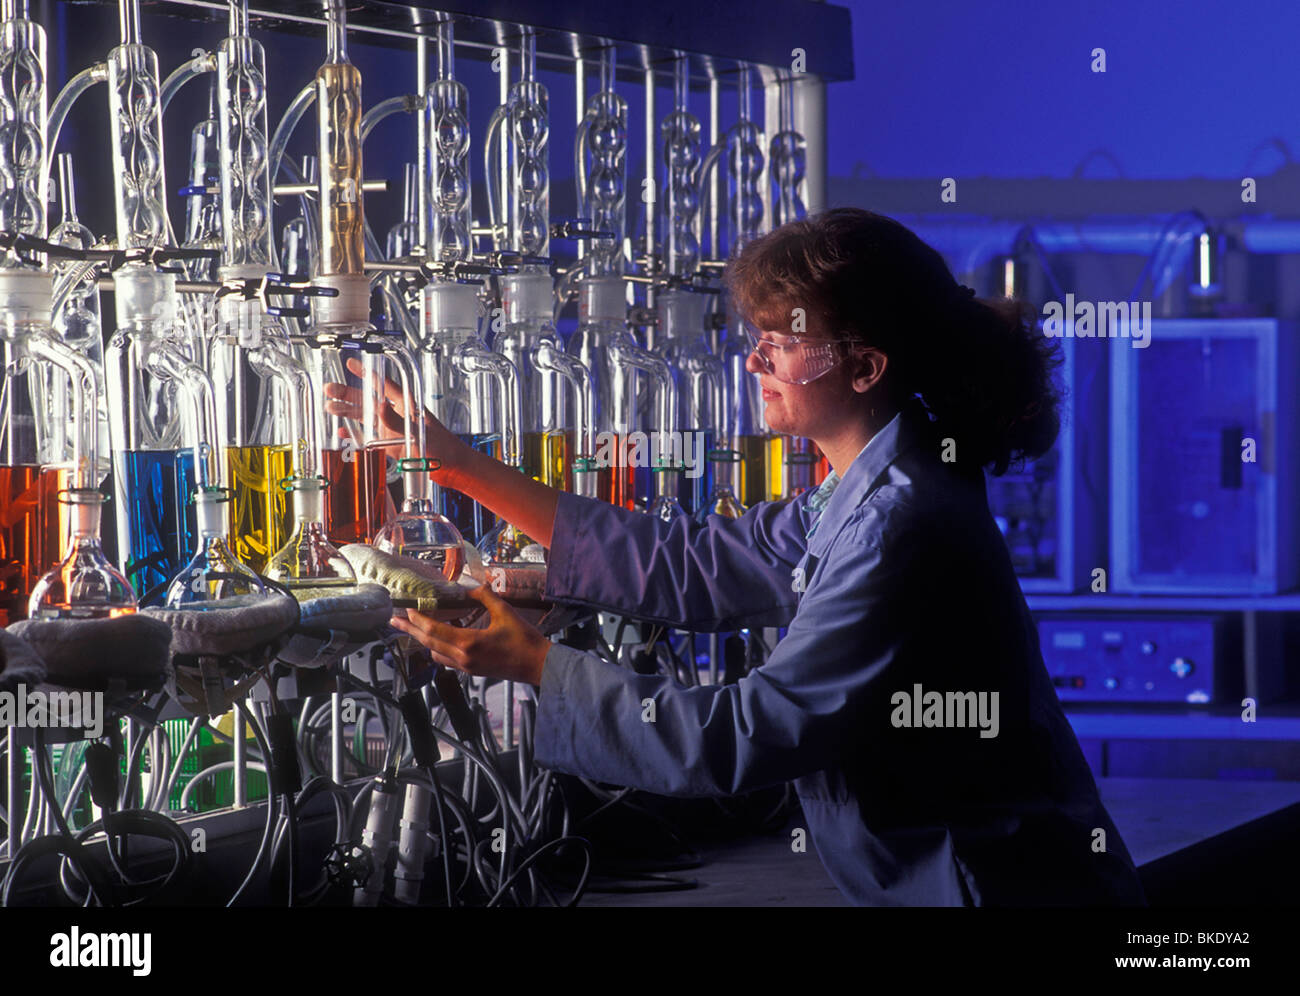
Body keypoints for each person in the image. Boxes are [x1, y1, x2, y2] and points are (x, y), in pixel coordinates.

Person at [324, 208, 1147, 907]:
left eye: (781, 341)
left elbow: (751, 733)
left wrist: (538, 665)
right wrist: (455, 462)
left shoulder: (903, 520)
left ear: (864, 366)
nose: (753, 361)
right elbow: (696, 562)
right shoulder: (873, 482)